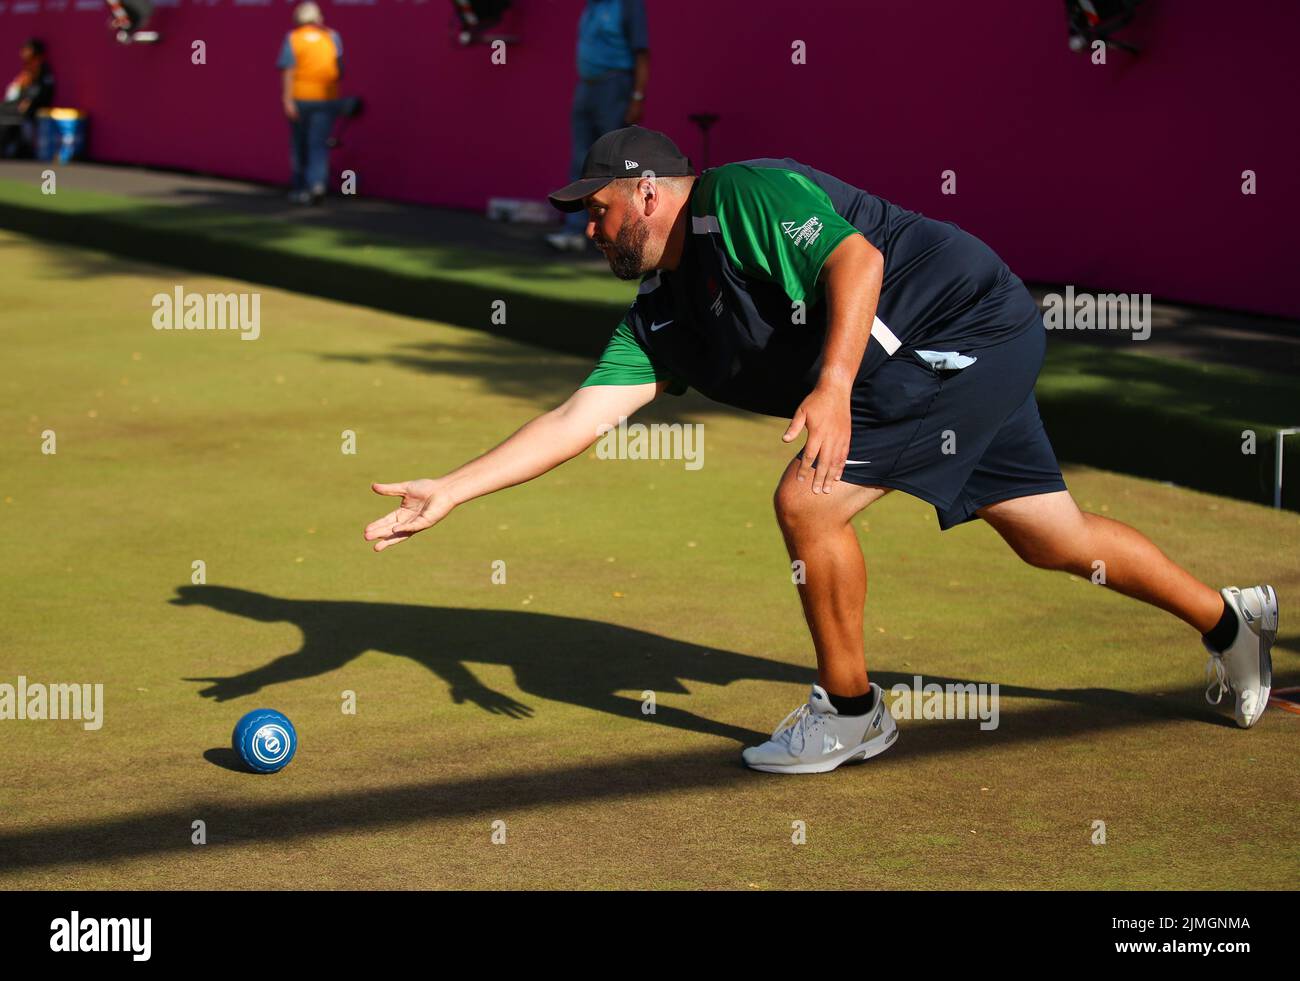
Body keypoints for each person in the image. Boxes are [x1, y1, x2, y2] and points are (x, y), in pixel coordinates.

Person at [364, 127, 1277, 775]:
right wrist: (453, 488)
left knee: (807, 500)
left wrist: (833, 385)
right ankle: (1234, 624)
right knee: (1054, 536)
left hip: (959, 326)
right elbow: (578, 416)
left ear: (647, 189)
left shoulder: (739, 195)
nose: (589, 230)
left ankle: (852, 714)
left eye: (597, 211)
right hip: (939, 360)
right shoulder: (662, 313)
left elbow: (857, 263)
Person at [546, 0, 649, 253]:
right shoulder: (591, 6)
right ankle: (576, 229)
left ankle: (618, 234)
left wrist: (637, 96)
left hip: (615, 85)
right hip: (587, 86)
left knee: (611, 162)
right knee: (581, 160)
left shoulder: (628, 5)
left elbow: (642, 53)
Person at [276, 2, 344, 206]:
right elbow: (340, 69)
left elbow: (288, 70)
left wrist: (287, 99)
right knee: (318, 144)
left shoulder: (294, 38)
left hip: (301, 97)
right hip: (326, 97)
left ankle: (301, 188)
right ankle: (317, 185)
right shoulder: (332, 36)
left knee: (300, 144)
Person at [0, 38, 54, 159]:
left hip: (32, 111)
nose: (23, 53)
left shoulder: (43, 72)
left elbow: (41, 94)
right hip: (17, 107)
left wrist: (28, 102)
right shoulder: (26, 72)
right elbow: (13, 93)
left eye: (27, 50)